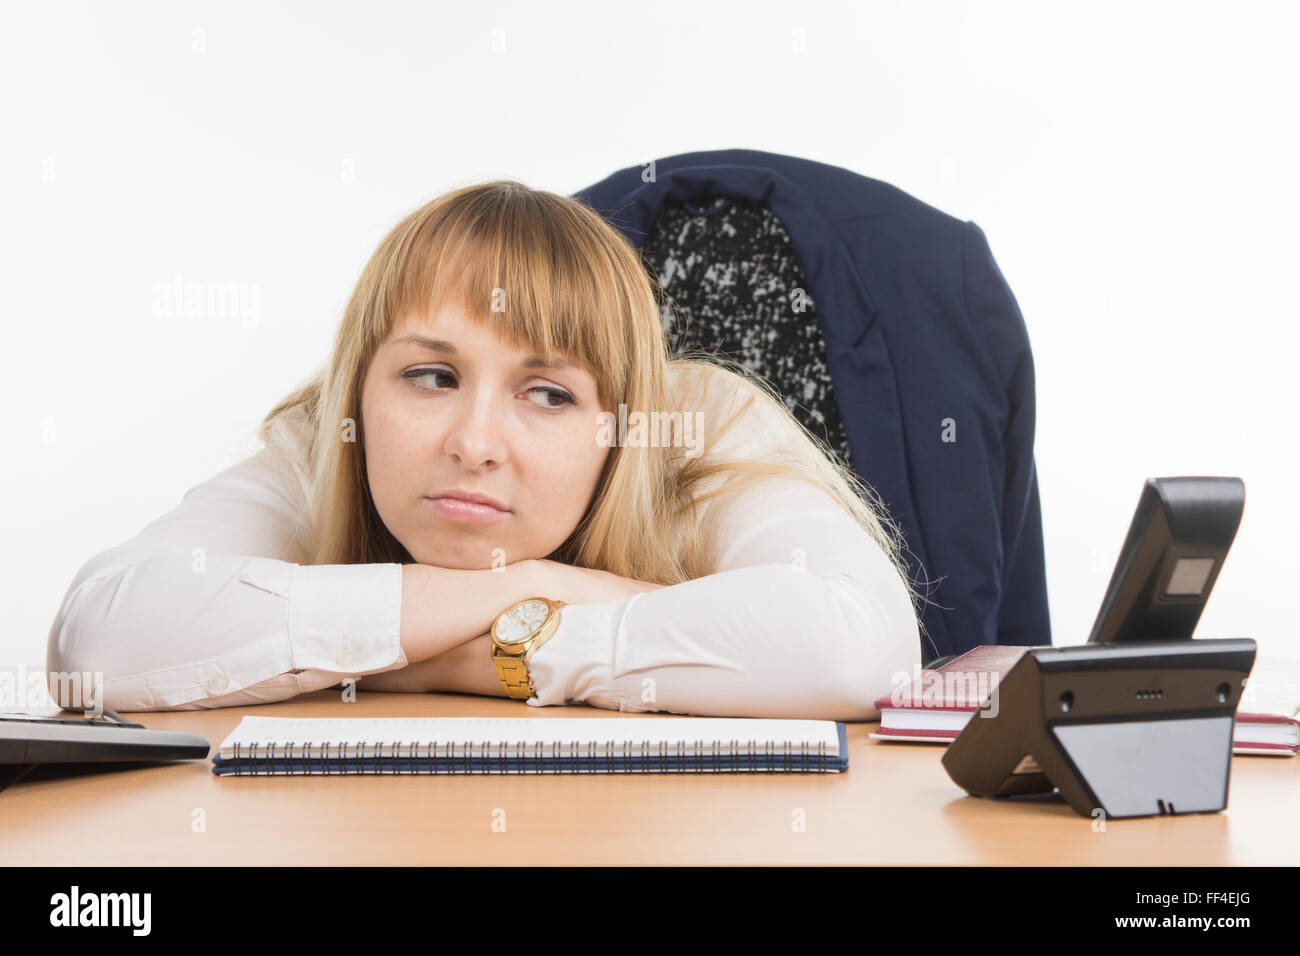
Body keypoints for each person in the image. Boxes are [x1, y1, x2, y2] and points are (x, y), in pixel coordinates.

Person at [46, 180, 924, 720]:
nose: (472, 444)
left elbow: (857, 650)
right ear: (361, 384)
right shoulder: (328, 439)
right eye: (431, 376)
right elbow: (96, 640)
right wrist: (526, 588)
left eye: (548, 394)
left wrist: (453, 657)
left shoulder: (697, 437)